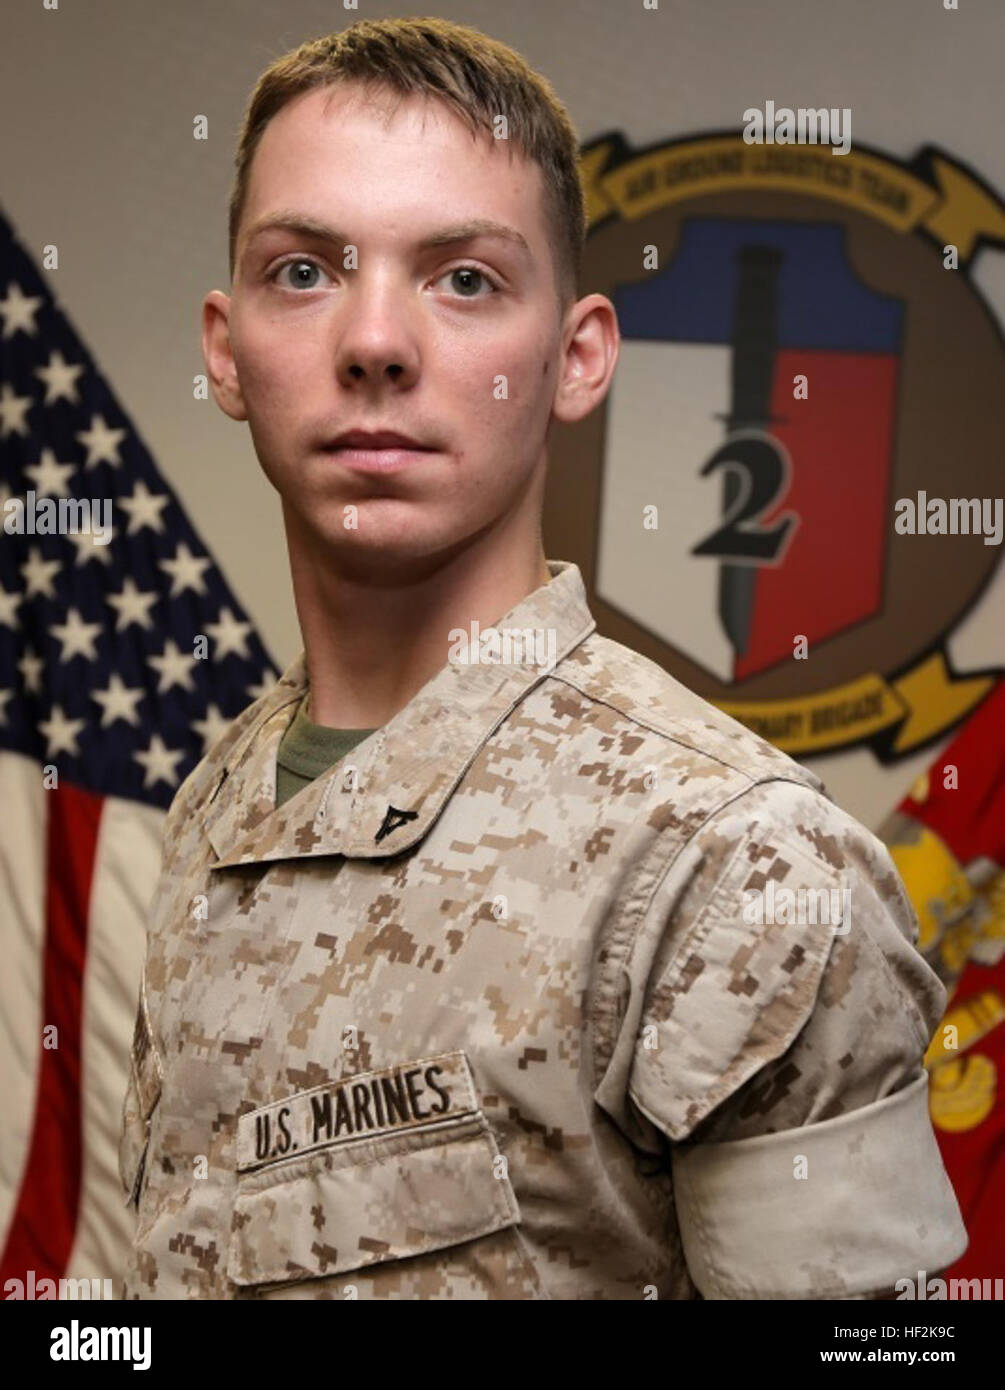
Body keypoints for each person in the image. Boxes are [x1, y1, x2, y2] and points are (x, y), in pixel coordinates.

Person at [119, 15, 966, 1299]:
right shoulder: (215, 807)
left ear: (576, 359)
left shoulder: (732, 863)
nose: (375, 341)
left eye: (465, 278)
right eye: (306, 271)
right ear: (227, 352)